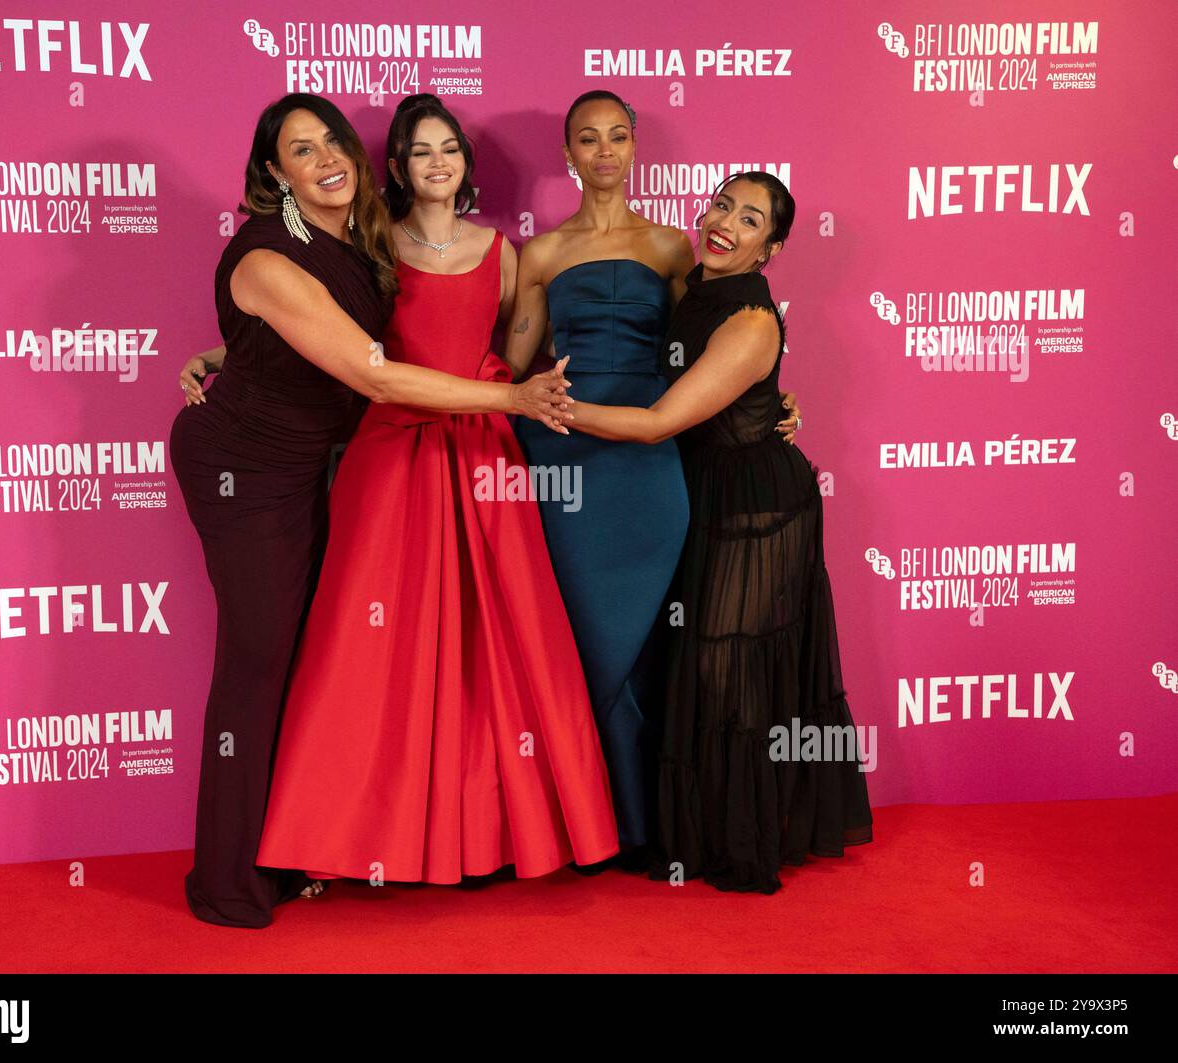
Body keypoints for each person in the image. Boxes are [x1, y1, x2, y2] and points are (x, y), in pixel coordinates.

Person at [169, 93, 572, 928]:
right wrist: (515, 397)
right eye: (299, 150)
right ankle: (227, 880)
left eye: (332, 142)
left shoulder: (348, 238)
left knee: (303, 655)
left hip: (316, 464)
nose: (323, 158)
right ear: (272, 173)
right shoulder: (268, 256)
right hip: (245, 468)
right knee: (258, 659)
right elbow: (380, 374)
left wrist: (224, 348)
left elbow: (321, 334)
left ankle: (279, 851)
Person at [254, 95, 620, 887]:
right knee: (370, 646)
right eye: (421, 152)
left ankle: (495, 834)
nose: (438, 162)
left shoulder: (507, 253)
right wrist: (221, 355)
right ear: (397, 166)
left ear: (465, 161)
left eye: (449, 148)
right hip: (392, 457)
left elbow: (523, 365)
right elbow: (324, 331)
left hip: (485, 455)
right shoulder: (368, 242)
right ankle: (337, 840)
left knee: (495, 644)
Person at [502, 91, 800, 863]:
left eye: (619, 136)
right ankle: (575, 820)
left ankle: (638, 825)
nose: (604, 151)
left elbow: (713, 350)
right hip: (564, 456)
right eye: (587, 139)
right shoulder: (538, 255)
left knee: (643, 636)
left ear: (636, 148)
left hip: (648, 457)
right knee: (577, 635)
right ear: (567, 153)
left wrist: (772, 401)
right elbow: (509, 363)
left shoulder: (677, 248)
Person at [562, 171, 873, 892]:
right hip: (701, 493)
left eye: (751, 219)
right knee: (699, 666)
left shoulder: (752, 321)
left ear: (773, 247)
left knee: (733, 676)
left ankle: (743, 844)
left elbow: (658, 423)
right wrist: (776, 398)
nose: (726, 222)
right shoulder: (696, 284)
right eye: (723, 205)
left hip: (757, 507)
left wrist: (546, 408)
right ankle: (696, 833)